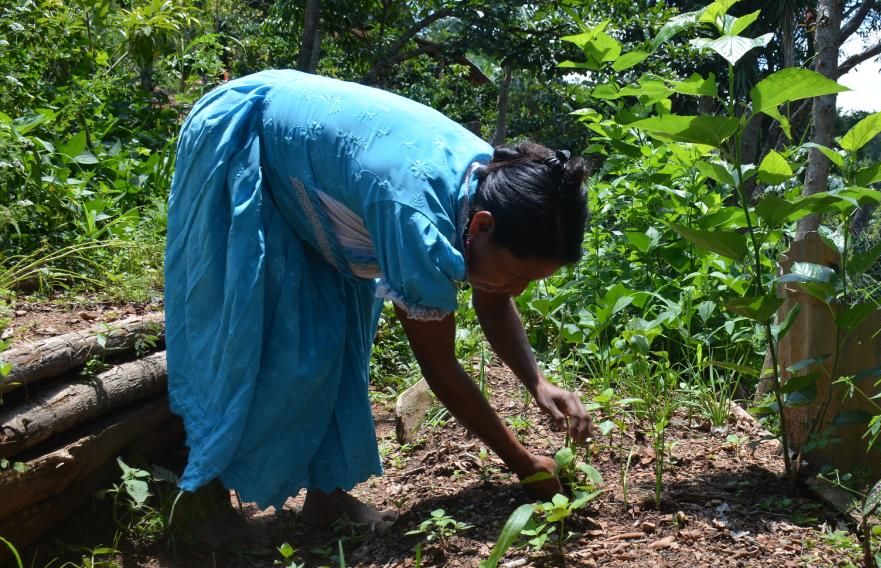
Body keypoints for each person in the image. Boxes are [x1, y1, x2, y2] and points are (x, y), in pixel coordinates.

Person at [165, 69, 592, 529]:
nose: (517, 290)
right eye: (514, 274)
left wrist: (537, 382)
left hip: (322, 173)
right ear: (482, 226)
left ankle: (326, 501)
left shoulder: (495, 186)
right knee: (244, 321)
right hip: (250, 137)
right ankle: (199, 494)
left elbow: (492, 297)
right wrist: (524, 464)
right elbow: (441, 370)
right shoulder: (418, 223)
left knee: (333, 334)